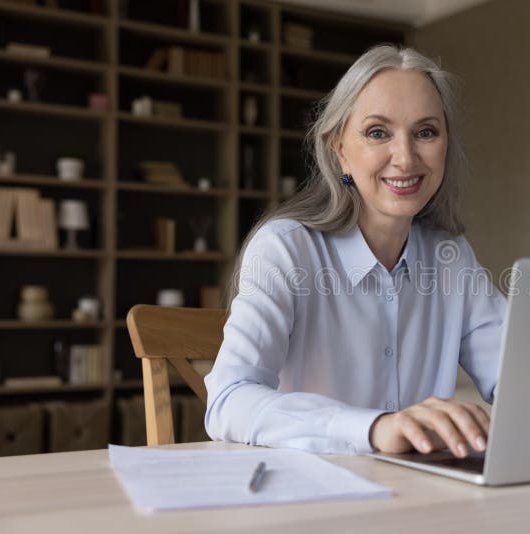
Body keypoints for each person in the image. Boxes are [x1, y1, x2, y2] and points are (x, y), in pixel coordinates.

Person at [204, 44, 506, 458]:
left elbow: (520, 380)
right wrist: (374, 428)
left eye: (426, 132)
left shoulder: (450, 256)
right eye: (378, 132)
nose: (405, 157)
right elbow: (228, 402)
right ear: (338, 150)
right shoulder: (286, 250)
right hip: (308, 500)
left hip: (418, 500)